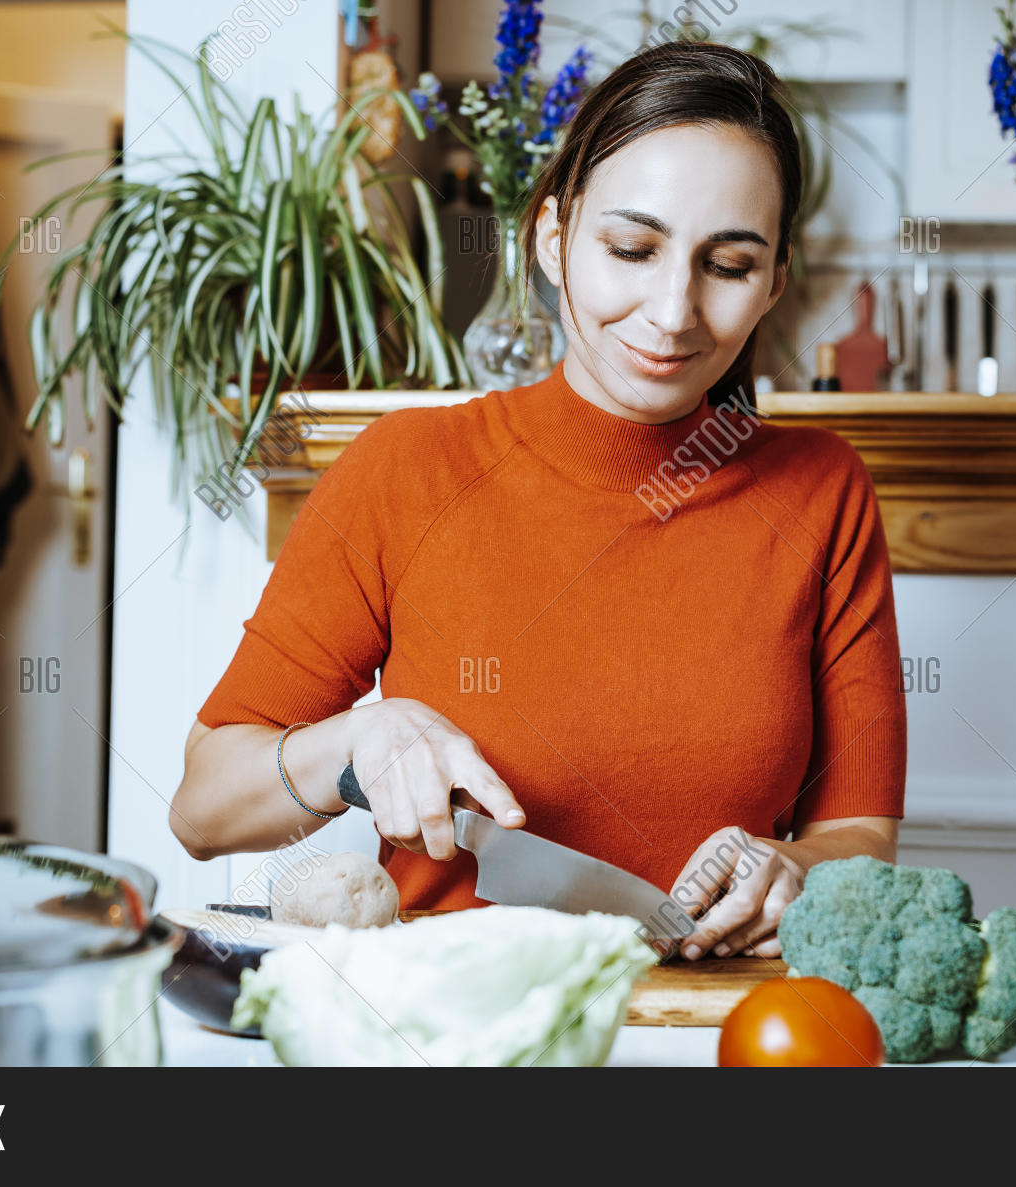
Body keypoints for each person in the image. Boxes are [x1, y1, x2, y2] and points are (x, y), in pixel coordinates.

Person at [171, 40, 906, 961]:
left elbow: (863, 840)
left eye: (726, 265)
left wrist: (794, 866)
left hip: (722, 1023)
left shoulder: (823, 491)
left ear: (775, 284)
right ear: (554, 240)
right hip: (455, 1028)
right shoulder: (406, 470)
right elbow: (202, 808)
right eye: (631, 248)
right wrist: (353, 744)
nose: (672, 310)